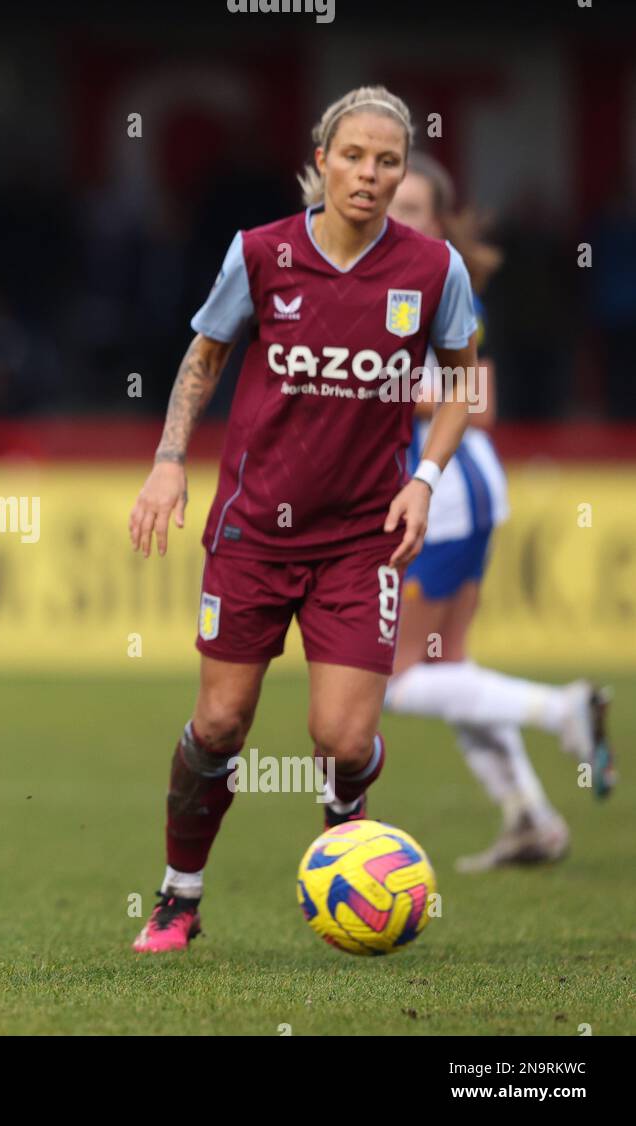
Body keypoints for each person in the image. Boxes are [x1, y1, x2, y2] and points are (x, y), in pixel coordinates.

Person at [128, 86, 478, 954]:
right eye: (353, 156)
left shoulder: (433, 269)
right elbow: (204, 359)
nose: (369, 174)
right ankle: (180, 896)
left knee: (343, 736)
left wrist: (426, 476)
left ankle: (348, 810)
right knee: (218, 725)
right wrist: (170, 461)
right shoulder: (261, 254)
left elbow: (465, 381)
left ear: (403, 170)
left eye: (387, 161)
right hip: (252, 533)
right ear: (321, 159)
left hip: (363, 539)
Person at [384, 154, 614, 872]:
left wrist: (361, 384)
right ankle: (530, 820)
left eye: (413, 208)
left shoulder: (434, 284)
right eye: (390, 204)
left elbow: (477, 402)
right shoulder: (385, 281)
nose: (397, 218)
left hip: (448, 487)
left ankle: (561, 708)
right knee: (448, 666)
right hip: (455, 486)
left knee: (400, 682)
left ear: (440, 222)